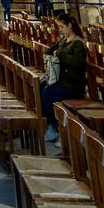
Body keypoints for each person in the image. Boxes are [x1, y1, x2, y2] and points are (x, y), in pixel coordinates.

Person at [41, 13, 88, 142]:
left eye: (62, 27)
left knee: (48, 92)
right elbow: (51, 50)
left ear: (69, 25)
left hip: (73, 84)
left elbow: (78, 62)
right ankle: (50, 124)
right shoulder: (64, 40)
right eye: (59, 27)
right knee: (42, 86)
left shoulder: (78, 43)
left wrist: (60, 54)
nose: (60, 30)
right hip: (63, 81)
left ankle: (55, 128)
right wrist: (49, 53)